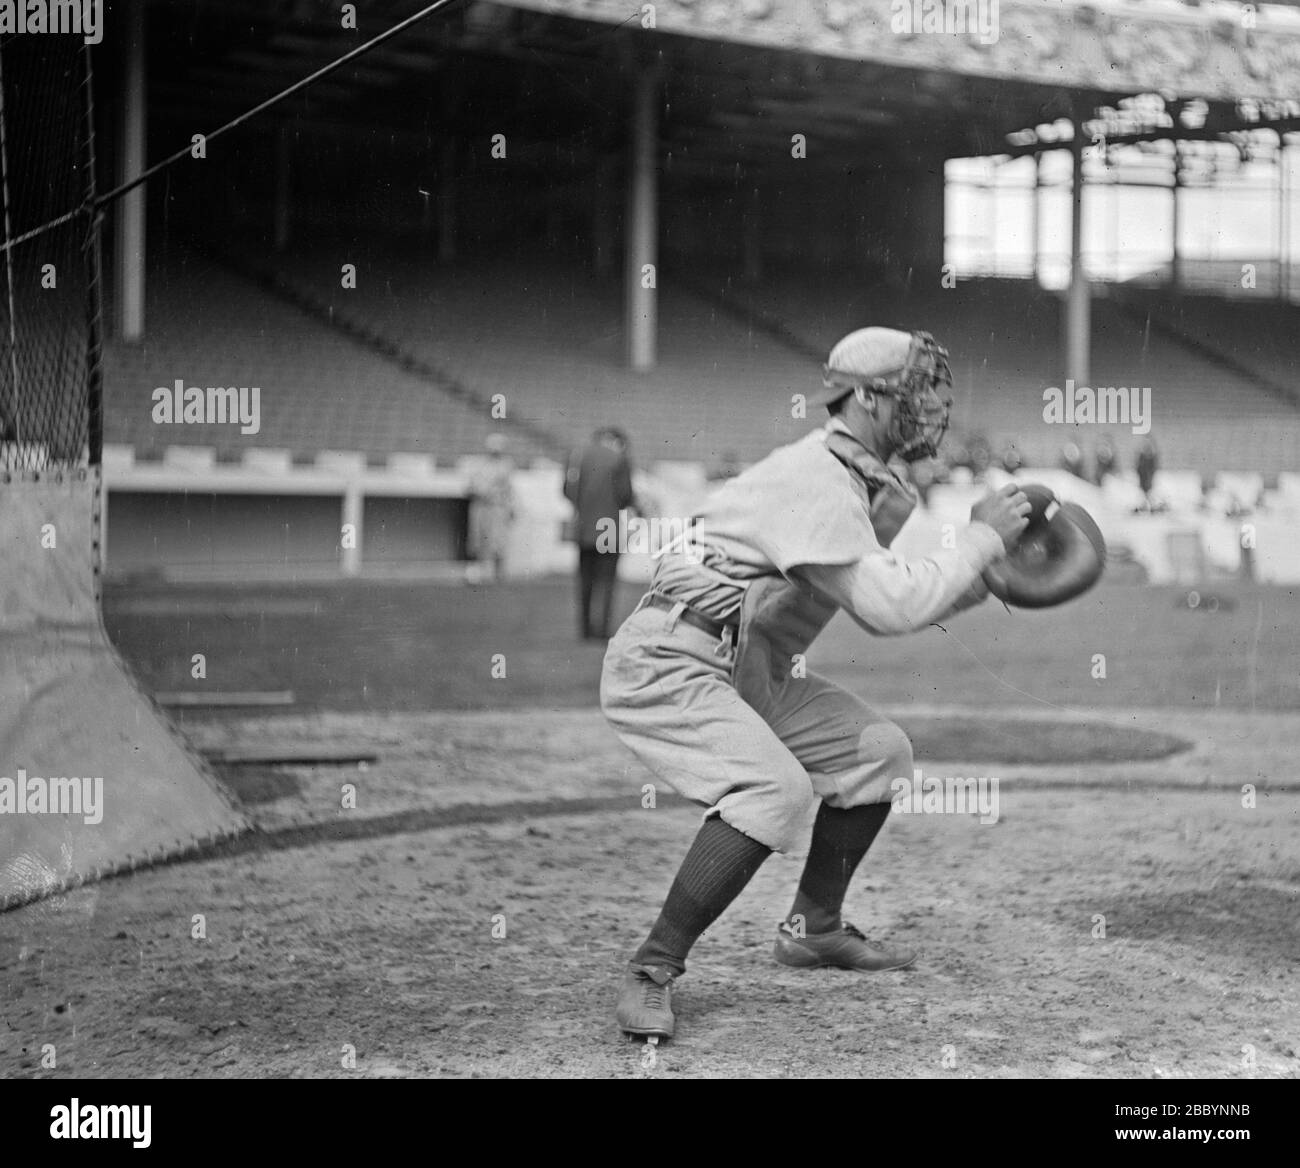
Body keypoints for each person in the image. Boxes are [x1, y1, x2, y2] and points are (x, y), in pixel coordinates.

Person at [600, 327, 1030, 1040]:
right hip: (671, 658)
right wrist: (982, 538)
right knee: (775, 790)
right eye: (915, 390)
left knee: (878, 754)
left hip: (744, 661)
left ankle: (813, 926)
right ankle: (653, 968)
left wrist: (981, 583)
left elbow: (881, 595)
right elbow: (894, 610)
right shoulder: (818, 478)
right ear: (864, 397)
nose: (930, 406)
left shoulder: (859, 480)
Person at [564, 426, 635, 641]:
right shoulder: (619, 459)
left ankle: (585, 630)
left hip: (583, 527)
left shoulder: (578, 455)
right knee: (606, 581)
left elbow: (567, 490)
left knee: (585, 581)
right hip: (608, 529)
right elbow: (625, 495)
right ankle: (601, 630)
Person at [466, 433, 515, 582]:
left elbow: (508, 489)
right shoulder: (479, 464)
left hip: (497, 507)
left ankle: (499, 574)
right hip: (481, 506)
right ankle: (480, 572)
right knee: (479, 540)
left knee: (498, 541)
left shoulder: (507, 464)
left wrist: (511, 507)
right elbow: (471, 487)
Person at [1136, 439, 1158, 511]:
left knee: (1148, 493)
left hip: (1148, 479)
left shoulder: (1151, 457)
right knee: (1145, 494)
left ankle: (1149, 506)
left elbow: (1153, 469)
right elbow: (1139, 469)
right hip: (1143, 479)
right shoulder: (1142, 457)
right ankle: (1147, 506)